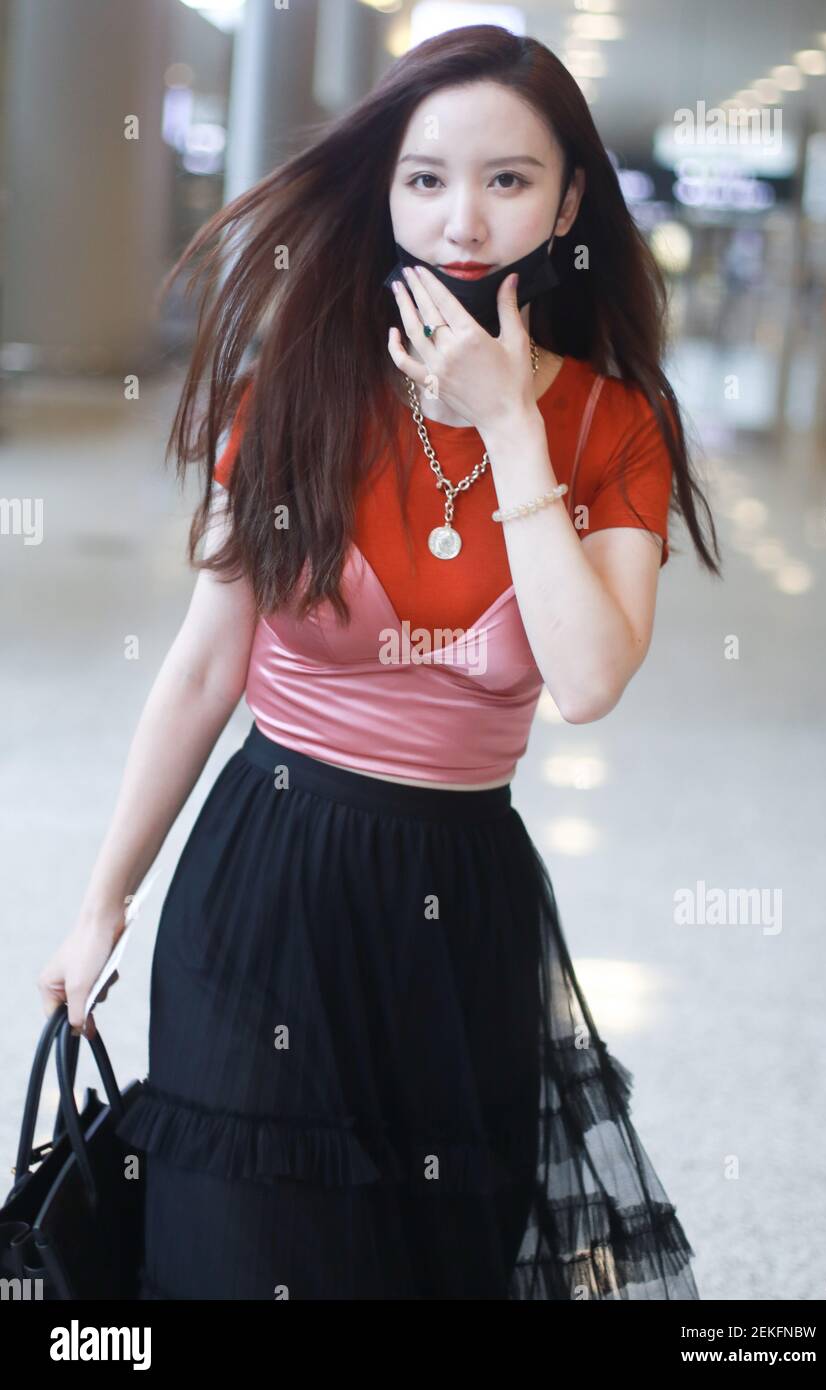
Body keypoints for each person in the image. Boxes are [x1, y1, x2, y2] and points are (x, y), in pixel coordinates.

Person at [38, 25, 720, 1300]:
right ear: (386, 193)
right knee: (240, 1258)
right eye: (425, 179)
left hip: (456, 913)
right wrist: (100, 902)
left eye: (507, 180)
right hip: (264, 883)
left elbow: (583, 681)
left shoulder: (612, 426)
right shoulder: (297, 389)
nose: (462, 217)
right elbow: (201, 668)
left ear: (569, 199)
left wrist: (511, 422)